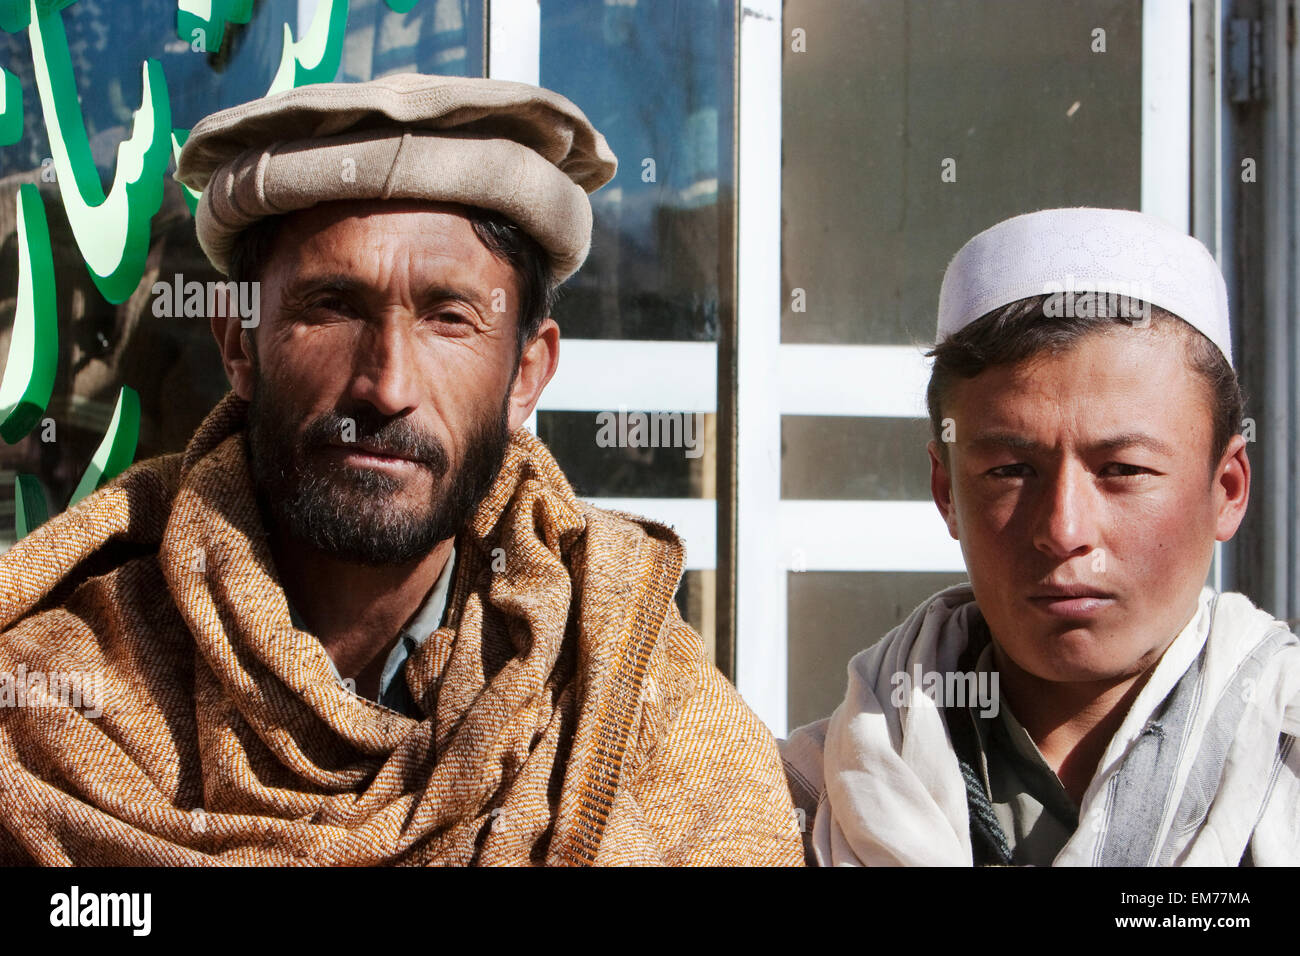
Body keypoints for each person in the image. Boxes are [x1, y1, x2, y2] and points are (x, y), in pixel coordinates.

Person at [0, 73, 802, 866]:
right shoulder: (56, 702)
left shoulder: (641, 706)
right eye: (332, 307)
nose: (386, 386)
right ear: (238, 344)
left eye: (449, 319)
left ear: (526, 373)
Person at [782, 207, 1300, 866]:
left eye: (1123, 470)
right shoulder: (791, 809)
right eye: (1010, 471)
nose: (1064, 530)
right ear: (947, 492)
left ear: (1226, 488)